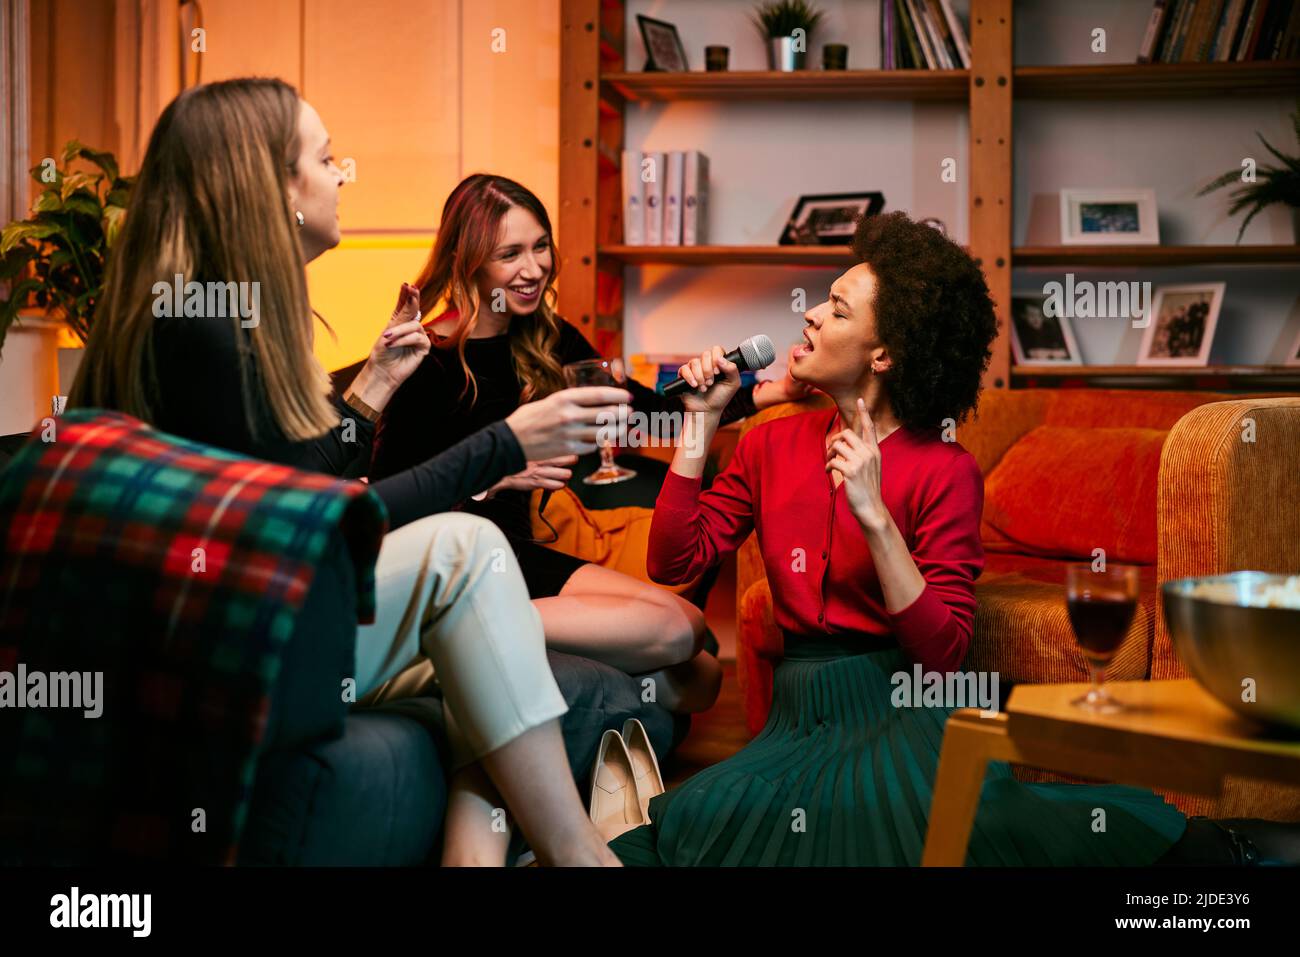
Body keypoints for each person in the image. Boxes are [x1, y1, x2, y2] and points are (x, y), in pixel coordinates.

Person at [608, 210, 1299, 866]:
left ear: (884, 354)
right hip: (800, 713)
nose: (811, 313)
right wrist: (697, 425)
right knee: (693, 825)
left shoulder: (945, 469)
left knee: (934, 827)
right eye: (823, 300)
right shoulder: (772, 445)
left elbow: (941, 651)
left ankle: (1210, 850)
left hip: (901, 705)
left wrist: (877, 518)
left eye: (839, 308)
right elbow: (674, 560)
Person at [68, 77, 625, 867]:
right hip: (218, 639)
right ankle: (580, 855)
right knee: (467, 551)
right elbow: (313, 522)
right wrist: (505, 444)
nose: (343, 174)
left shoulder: (237, 310)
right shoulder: (200, 326)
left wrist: (368, 394)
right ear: (269, 187)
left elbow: (297, 479)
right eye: (326, 159)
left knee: (482, 646)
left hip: (254, 601)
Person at [371, 173, 811, 713]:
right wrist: (493, 479)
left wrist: (768, 393)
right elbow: (390, 507)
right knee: (679, 630)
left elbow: (646, 416)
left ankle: (534, 662)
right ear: (469, 261)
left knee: (699, 674)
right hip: (457, 568)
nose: (533, 269)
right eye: (510, 253)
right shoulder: (427, 359)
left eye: (540, 247)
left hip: (521, 555)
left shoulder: (545, 336)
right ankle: (450, 632)